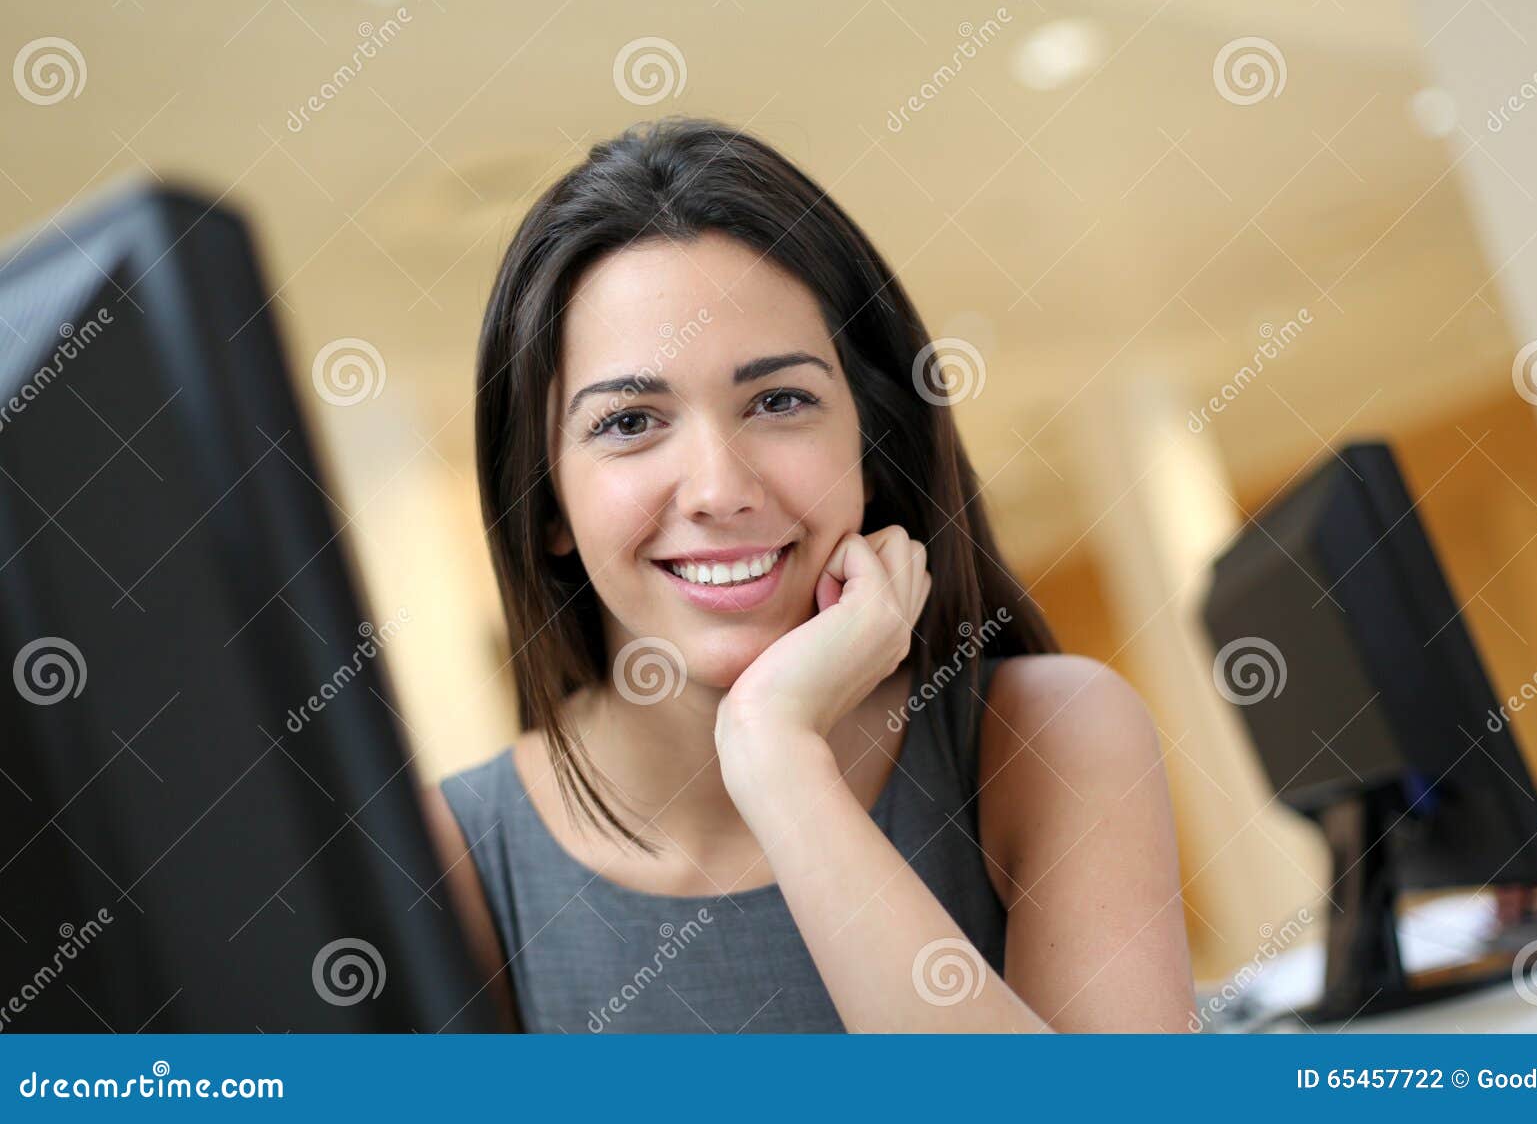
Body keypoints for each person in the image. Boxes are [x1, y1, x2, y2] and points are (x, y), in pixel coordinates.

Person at [419, 116, 1195, 1033]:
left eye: (780, 400)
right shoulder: (456, 857)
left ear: (871, 445)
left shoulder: (1048, 737)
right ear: (546, 504)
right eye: (629, 422)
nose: (718, 488)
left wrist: (781, 760)